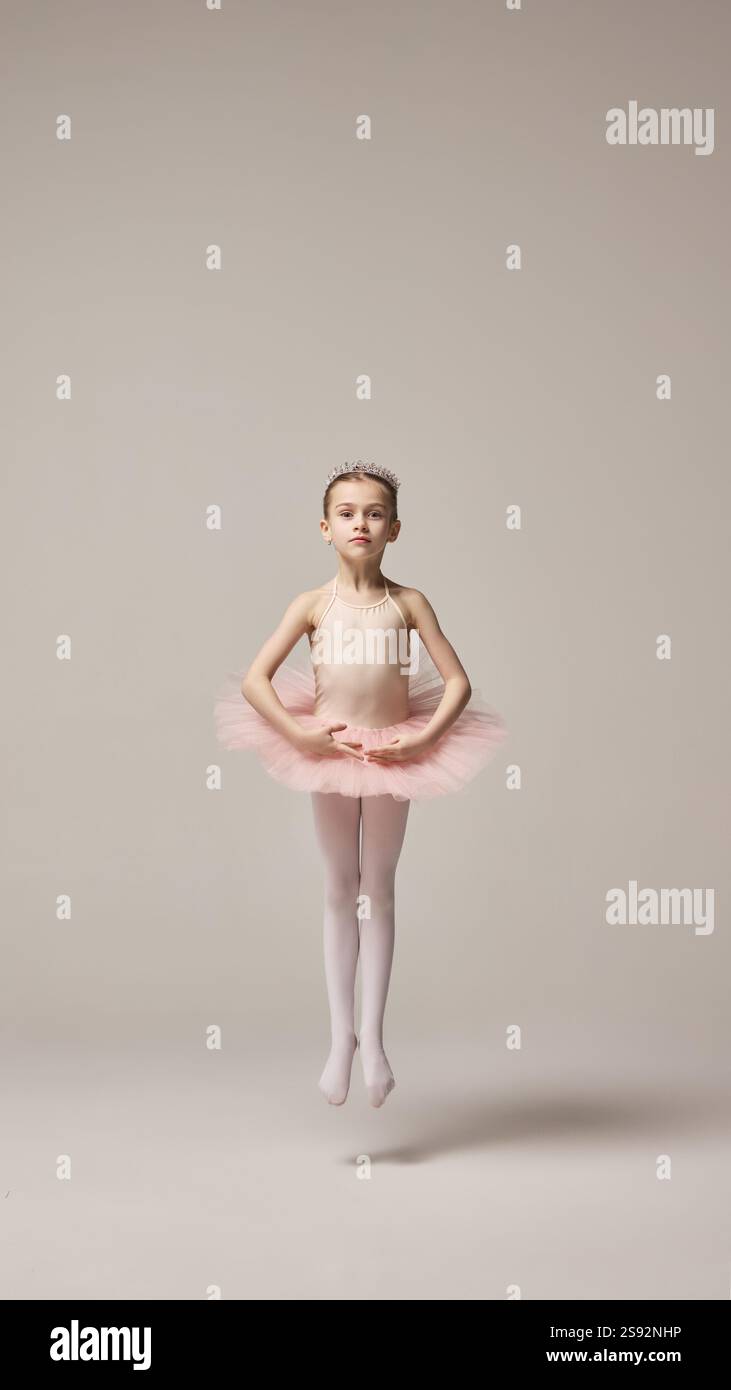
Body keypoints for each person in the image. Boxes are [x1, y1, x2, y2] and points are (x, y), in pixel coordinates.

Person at [214, 461, 507, 1107]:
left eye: (374, 513)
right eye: (346, 513)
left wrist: (427, 738)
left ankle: (373, 1038)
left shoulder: (408, 603)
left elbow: (456, 681)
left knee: (380, 889)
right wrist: (299, 737)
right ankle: (338, 1037)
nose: (360, 523)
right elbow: (254, 682)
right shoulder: (311, 604)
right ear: (325, 527)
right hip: (330, 749)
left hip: (395, 751)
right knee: (338, 888)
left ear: (394, 529)